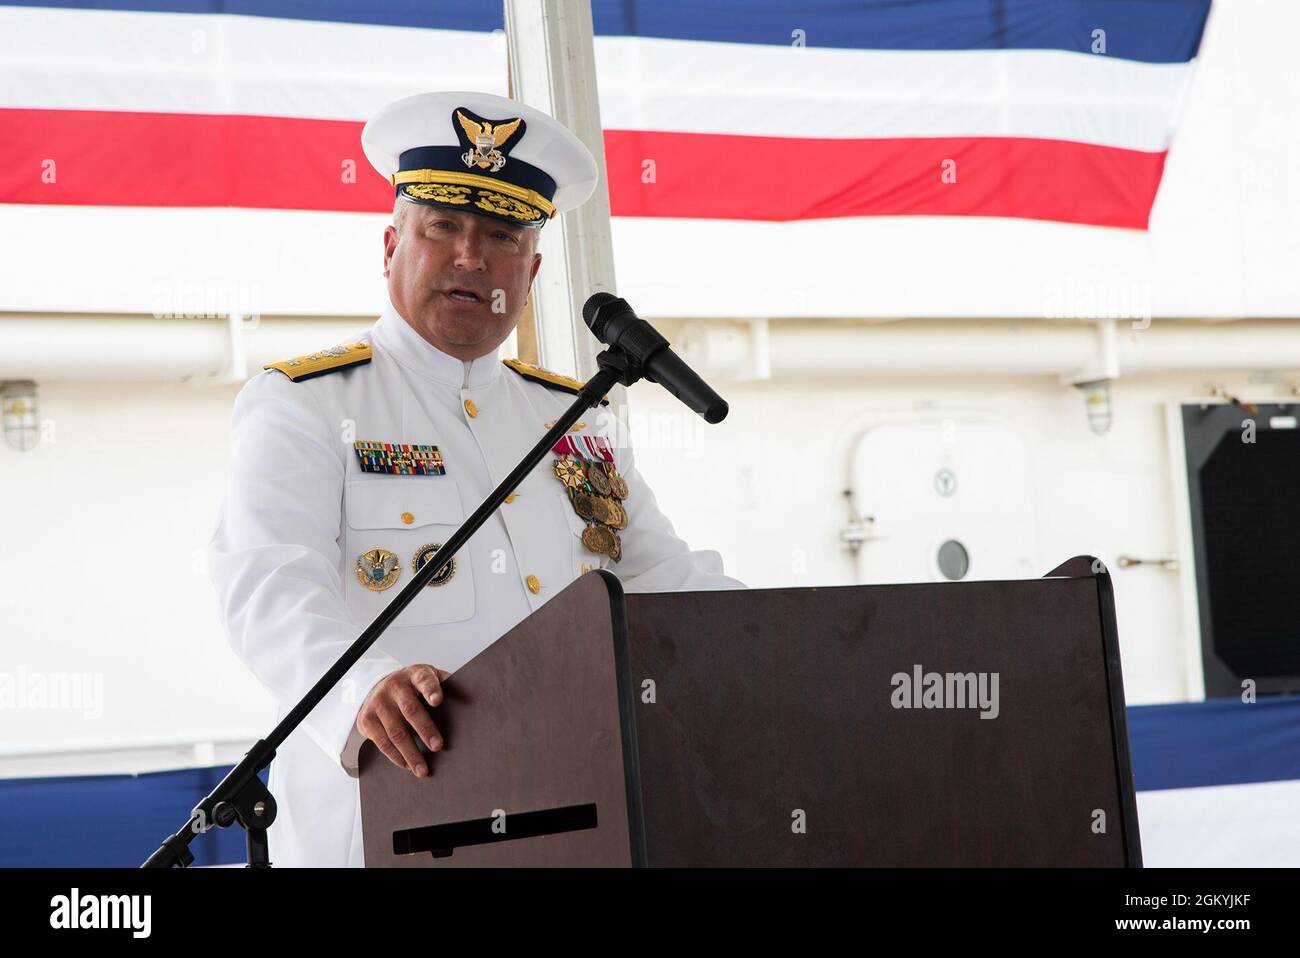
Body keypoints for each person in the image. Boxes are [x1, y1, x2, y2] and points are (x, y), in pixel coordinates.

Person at [205, 91, 744, 867]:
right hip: (390, 814)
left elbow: (659, 576)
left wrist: (795, 634)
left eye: (501, 235)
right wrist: (365, 689)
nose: (470, 257)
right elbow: (268, 585)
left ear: (529, 273)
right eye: (443, 228)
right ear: (389, 246)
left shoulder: (577, 419)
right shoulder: (310, 404)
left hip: (570, 813)